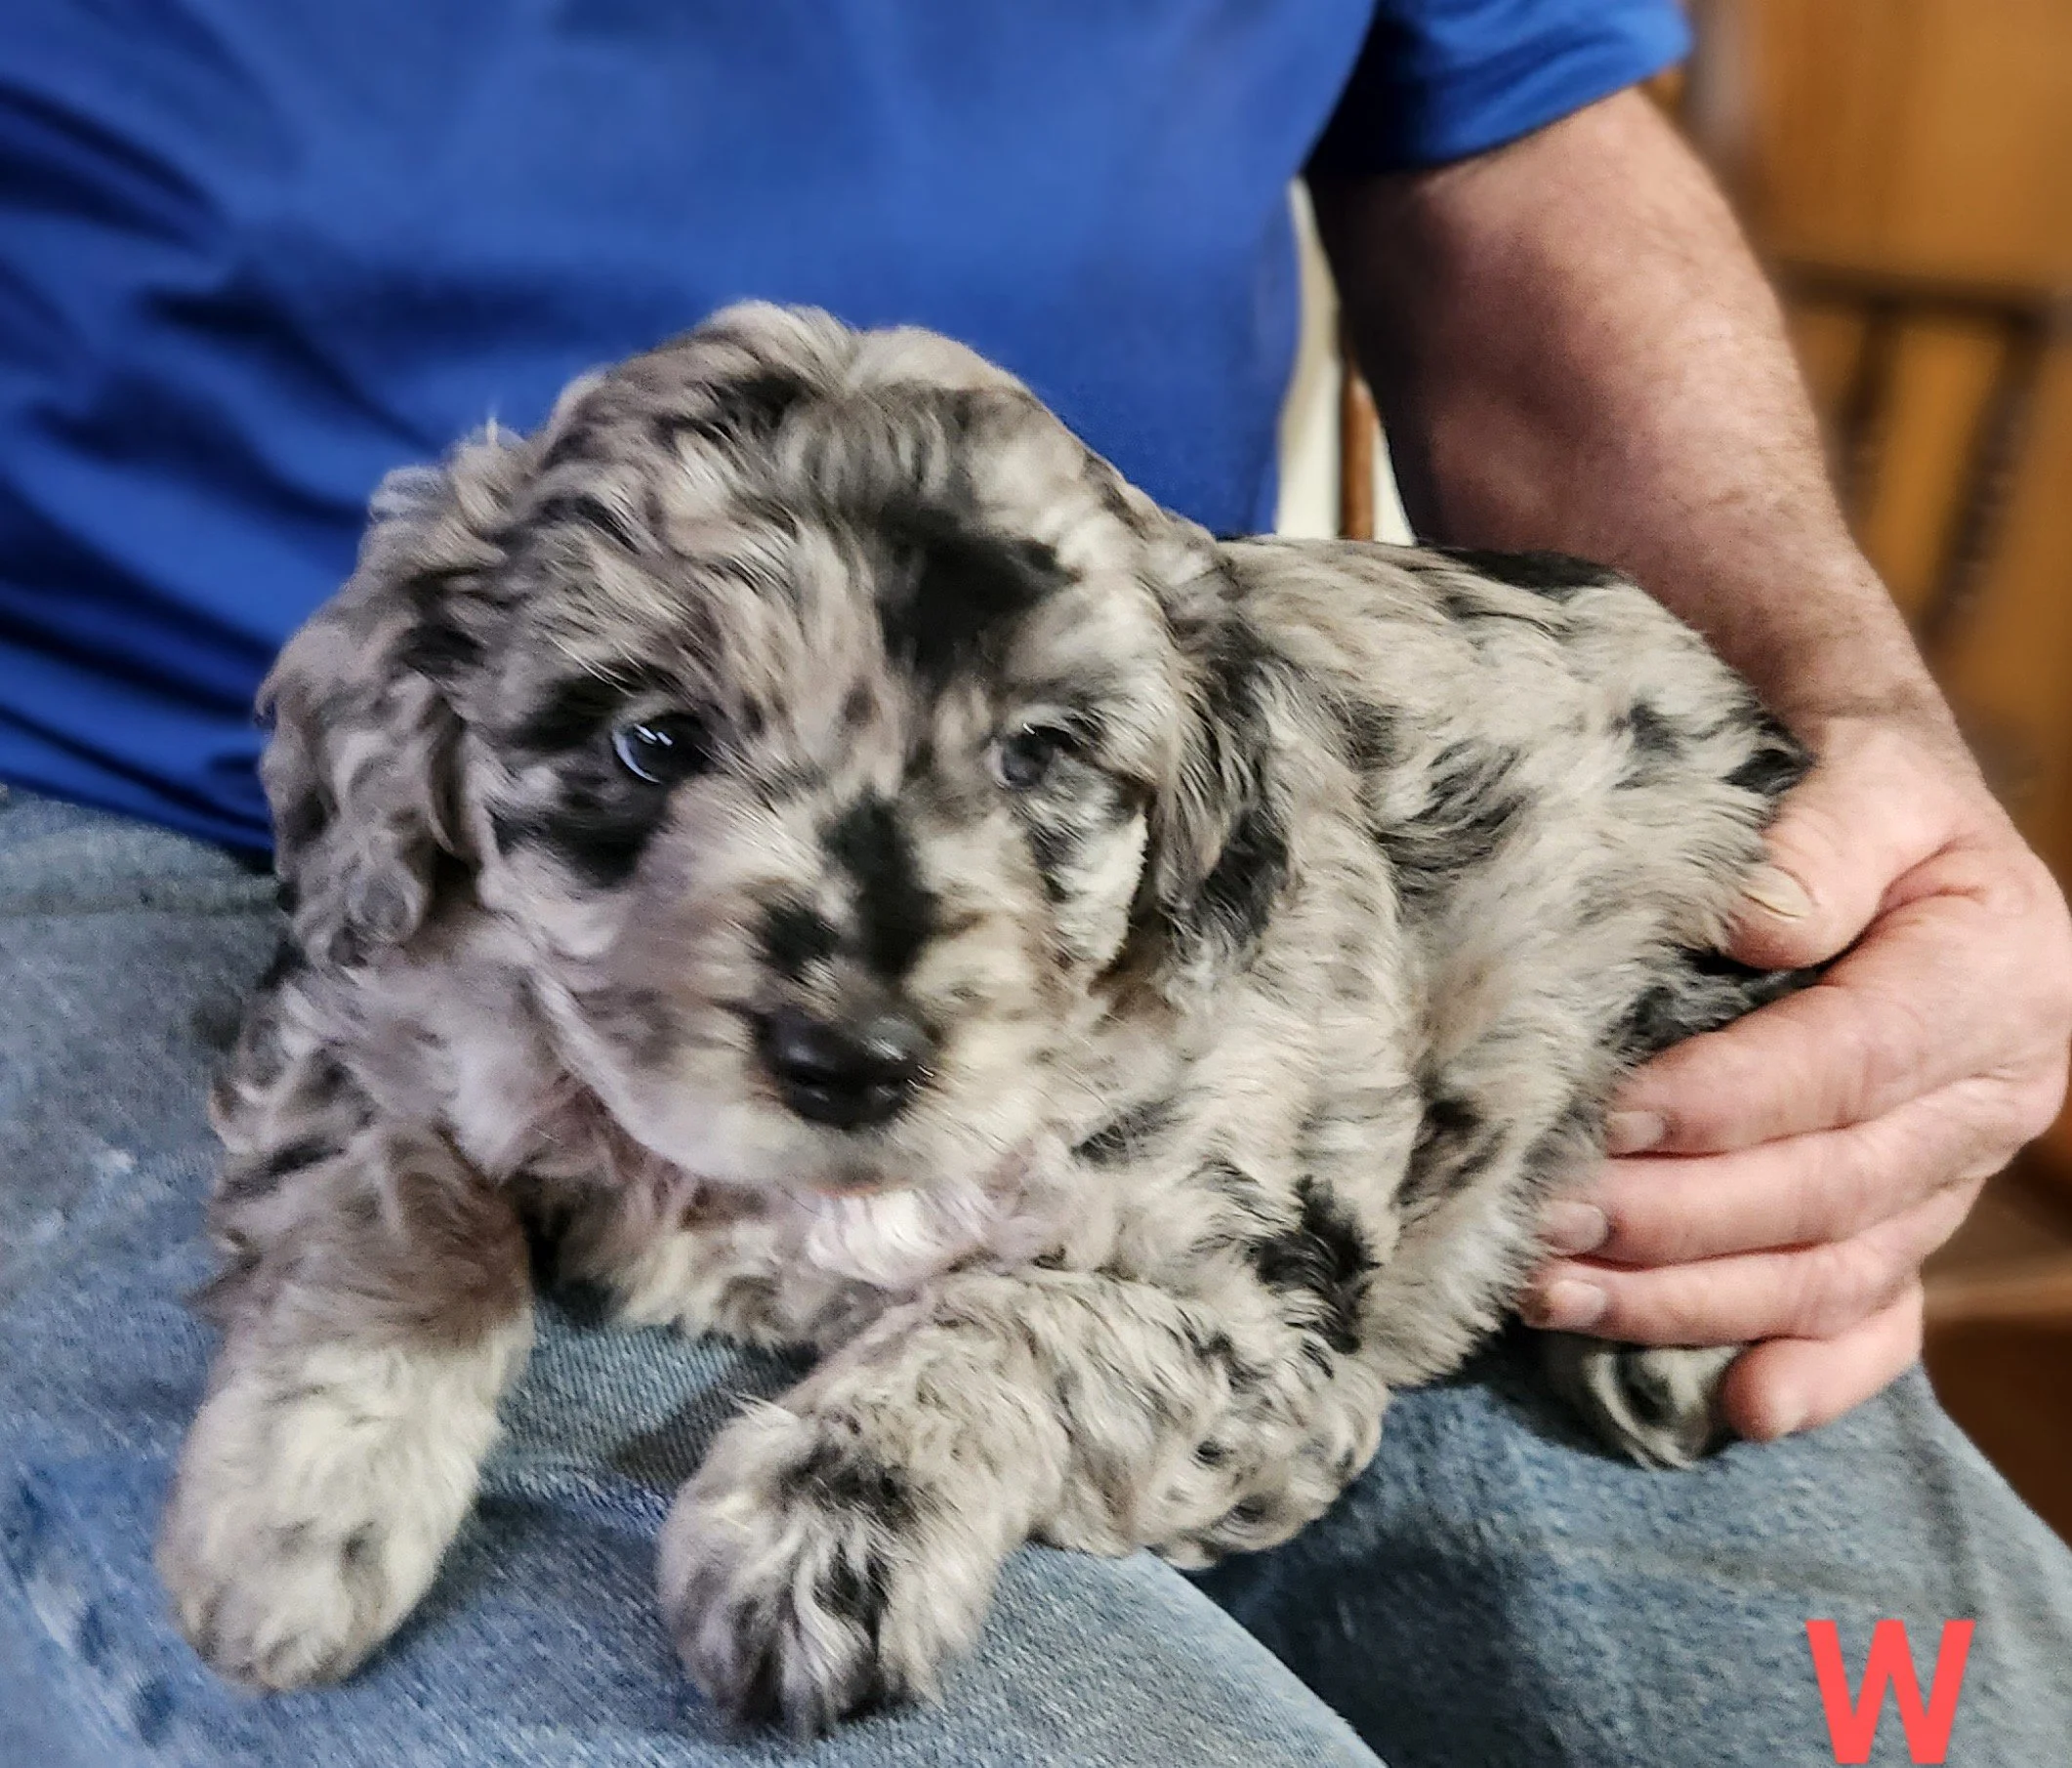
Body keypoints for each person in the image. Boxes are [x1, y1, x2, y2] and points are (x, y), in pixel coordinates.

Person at [3, 3, 2068, 1763]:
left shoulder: (1205, 824)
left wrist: (1857, 767)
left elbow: (1507, 104)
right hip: (129, 804)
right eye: (653, 744)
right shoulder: (414, 752)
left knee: (1919, 1711)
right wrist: (398, 1250)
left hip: (1256, 1011)